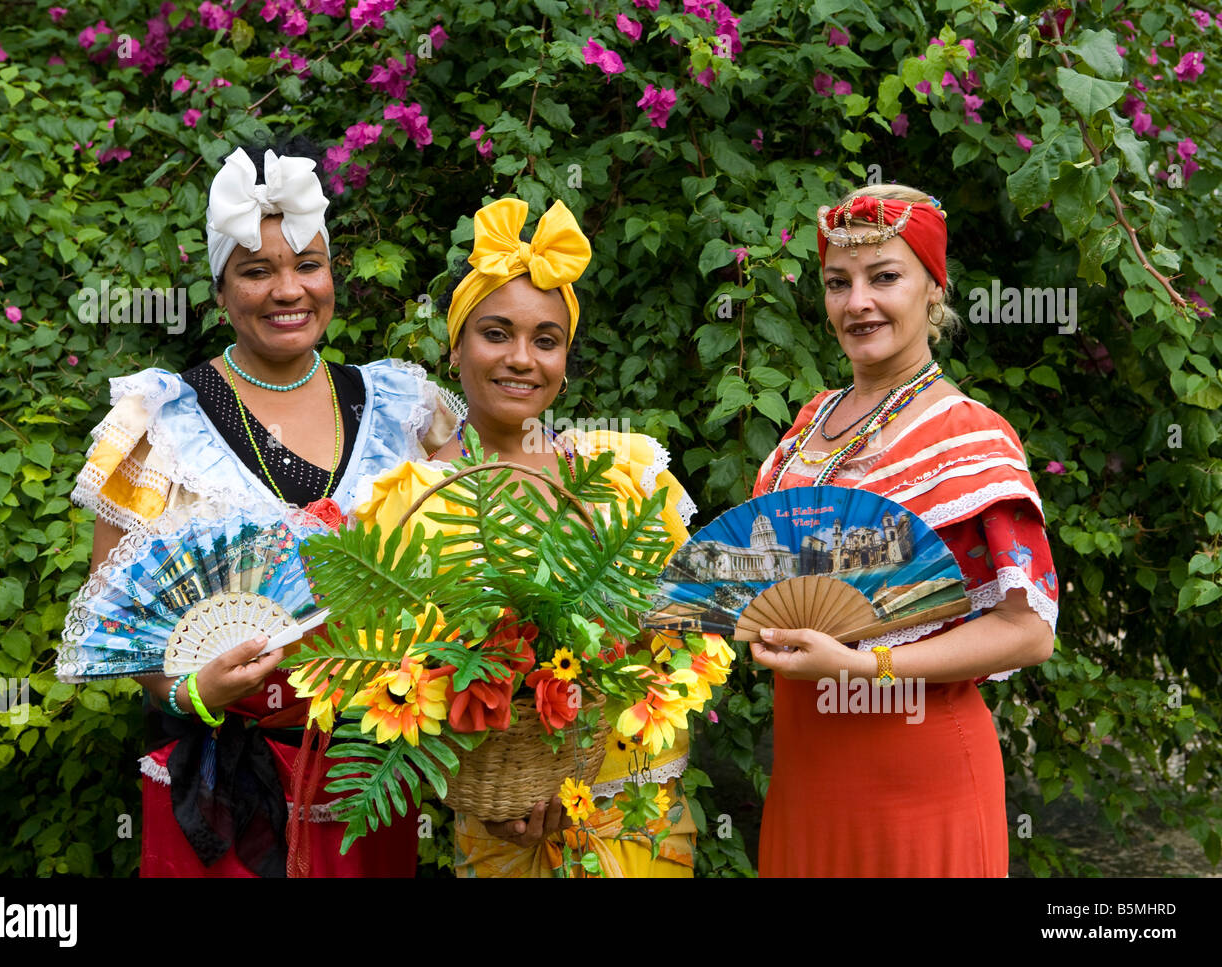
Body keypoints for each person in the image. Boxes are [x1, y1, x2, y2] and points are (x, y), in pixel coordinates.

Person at [70, 136, 455, 877]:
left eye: (308, 264)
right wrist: (191, 688)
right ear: (220, 289)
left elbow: (464, 582)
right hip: (219, 789)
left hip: (366, 781)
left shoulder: (404, 411)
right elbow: (122, 625)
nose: (289, 290)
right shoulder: (163, 424)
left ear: (331, 273)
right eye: (257, 270)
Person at [346, 197, 700, 876]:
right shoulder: (408, 502)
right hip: (501, 832)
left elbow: (686, 637)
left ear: (566, 358)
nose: (521, 359)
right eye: (496, 332)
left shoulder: (622, 476)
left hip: (638, 825)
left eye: (546, 339)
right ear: (455, 347)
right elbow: (382, 688)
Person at [749, 184, 1058, 877]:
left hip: (920, 779)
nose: (857, 301)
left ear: (932, 288)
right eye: (838, 282)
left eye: (884, 276)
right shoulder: (808, 426)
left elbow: (1028, 628)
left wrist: (863, 666)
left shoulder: (968, 436)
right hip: (806, 773)